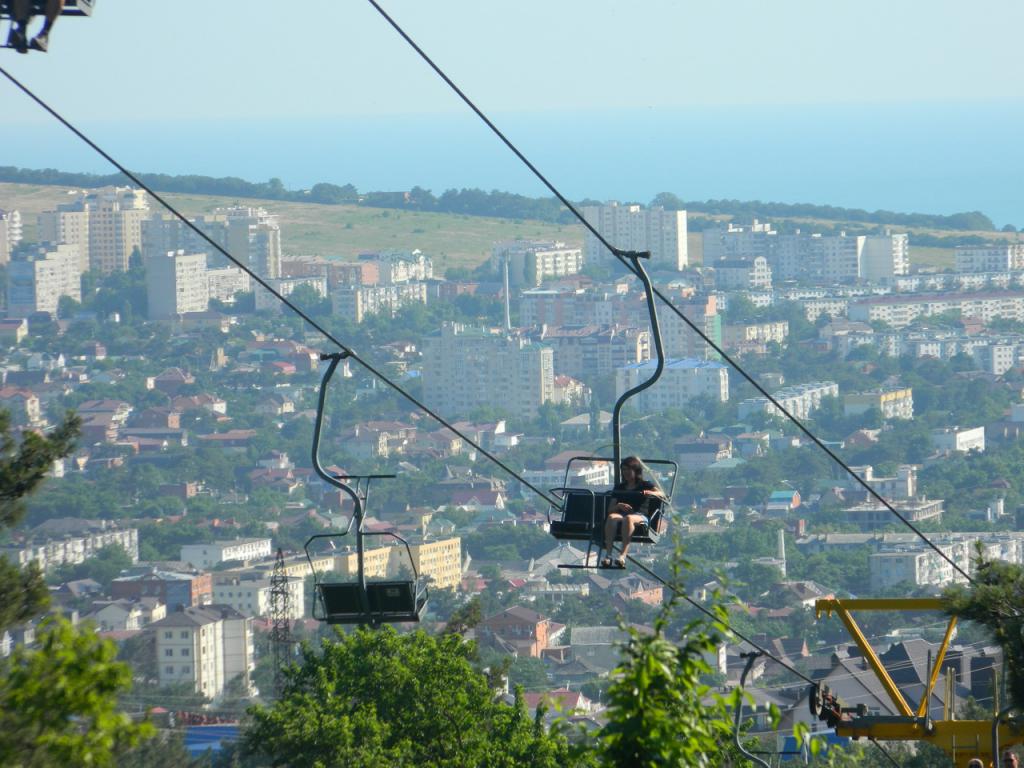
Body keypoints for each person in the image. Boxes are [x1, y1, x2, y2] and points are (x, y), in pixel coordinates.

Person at [601, 456, 664, 568]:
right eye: (624, 470)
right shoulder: (619, 487)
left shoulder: (644, 485)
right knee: (611, 517)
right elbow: (610, 510)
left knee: (629, 518)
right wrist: (619, 505)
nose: (626, 472)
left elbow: (661, 494)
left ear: (636, 470)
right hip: (622, 514)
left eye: (628, 469)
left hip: (640, 516)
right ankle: (608, 555)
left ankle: (622, 556)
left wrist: (650, 493)